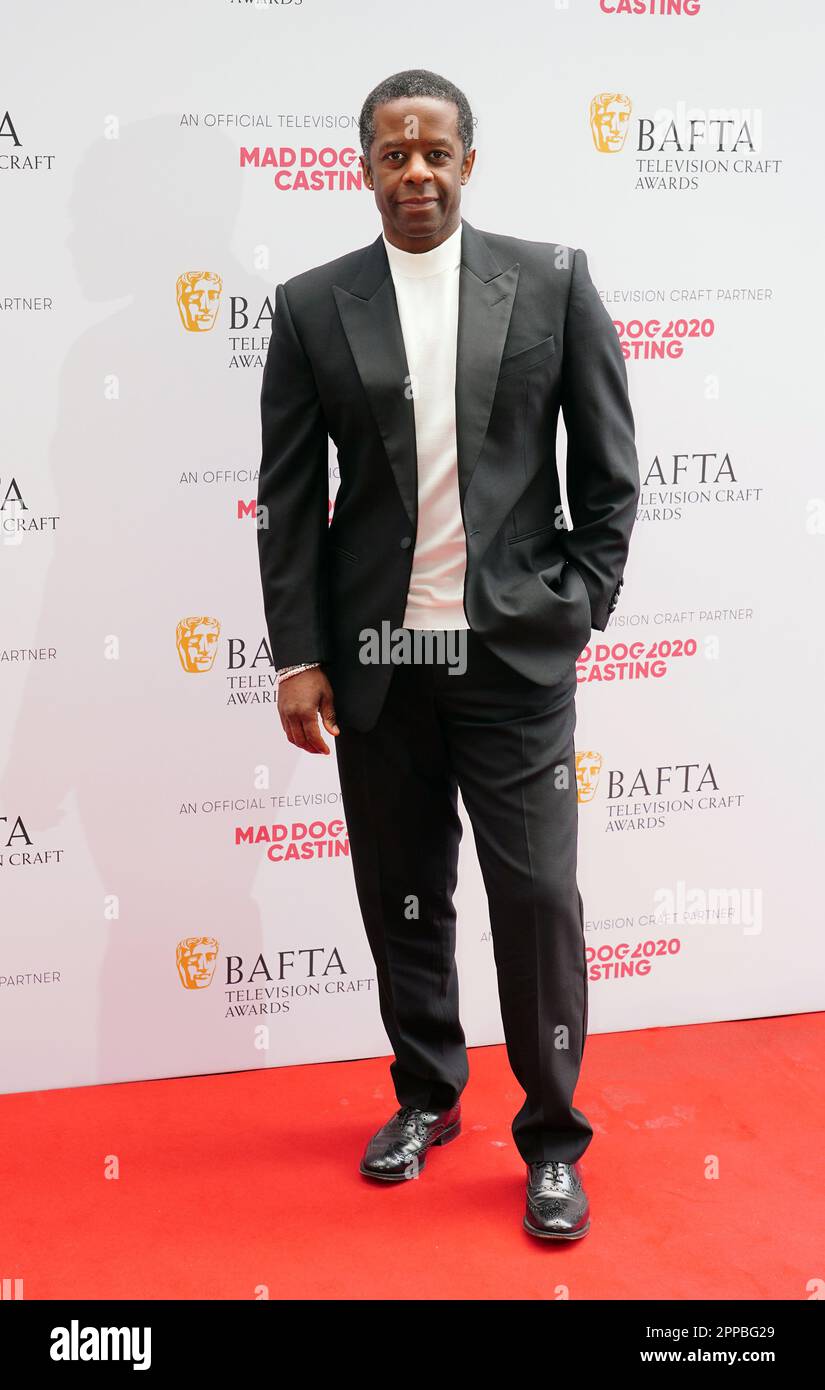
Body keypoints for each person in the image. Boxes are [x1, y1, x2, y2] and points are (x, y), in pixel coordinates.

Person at [256, 69, 640, 1240]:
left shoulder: (552, 280)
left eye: (434, 152)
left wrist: (577, 599)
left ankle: (555, 1136)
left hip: (512, 662)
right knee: (403, 900)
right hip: (377, 667)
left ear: (469, 162)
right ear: (363, 167)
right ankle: (426, 1095)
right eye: (391, 154)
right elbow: (288, 498)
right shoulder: (315, 305)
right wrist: (297, 654)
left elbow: (609, 466)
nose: (414, 171)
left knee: (535, 903)